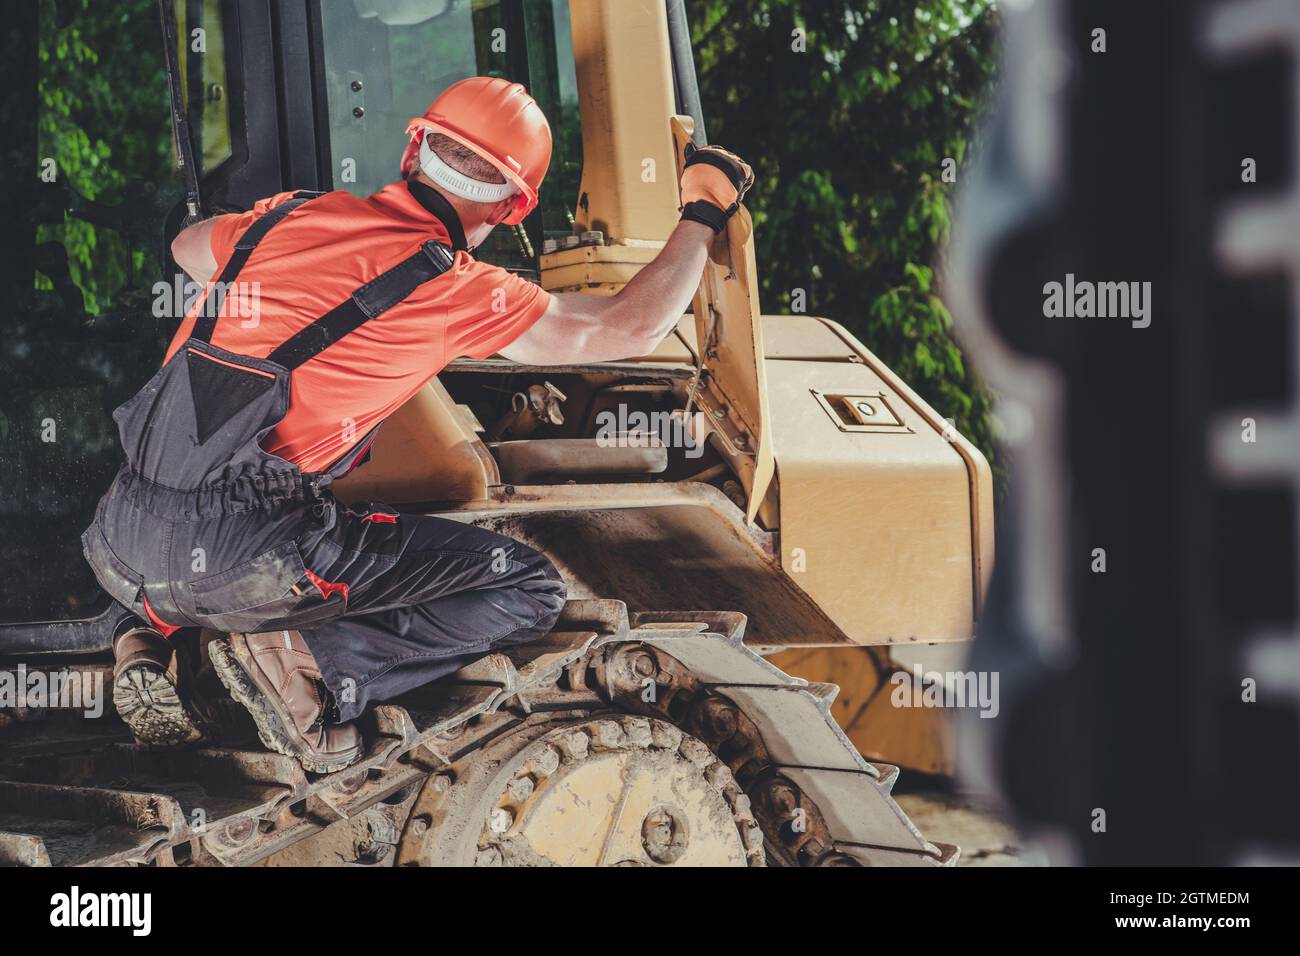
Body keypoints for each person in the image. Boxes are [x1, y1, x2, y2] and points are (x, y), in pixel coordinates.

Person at [85, 76, 753, 773]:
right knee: (526, 587)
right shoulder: (456, 286)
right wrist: (703, 209)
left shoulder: (286, 218)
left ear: (412, 153)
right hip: (242, 554)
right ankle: (304, 664)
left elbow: (190, 248)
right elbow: (634, 325)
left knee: (205, 521)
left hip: (120, 539)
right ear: (514, 208)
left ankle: (148, 641)